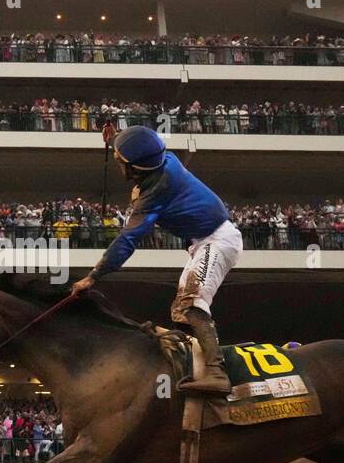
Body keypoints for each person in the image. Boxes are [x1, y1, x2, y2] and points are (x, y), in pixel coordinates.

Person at [71, 123, 242, 393]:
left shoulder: (154, 193)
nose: (118, 165)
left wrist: (94, 276)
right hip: (205, 241)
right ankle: (194, 363)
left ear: (136, 168)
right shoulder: (162, 159)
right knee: (180, 311)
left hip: (218, 240)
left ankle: (217, 373)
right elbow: (143, 147)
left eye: (120, 161)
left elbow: (128, 240)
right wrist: (114, 139)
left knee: (192, 305)